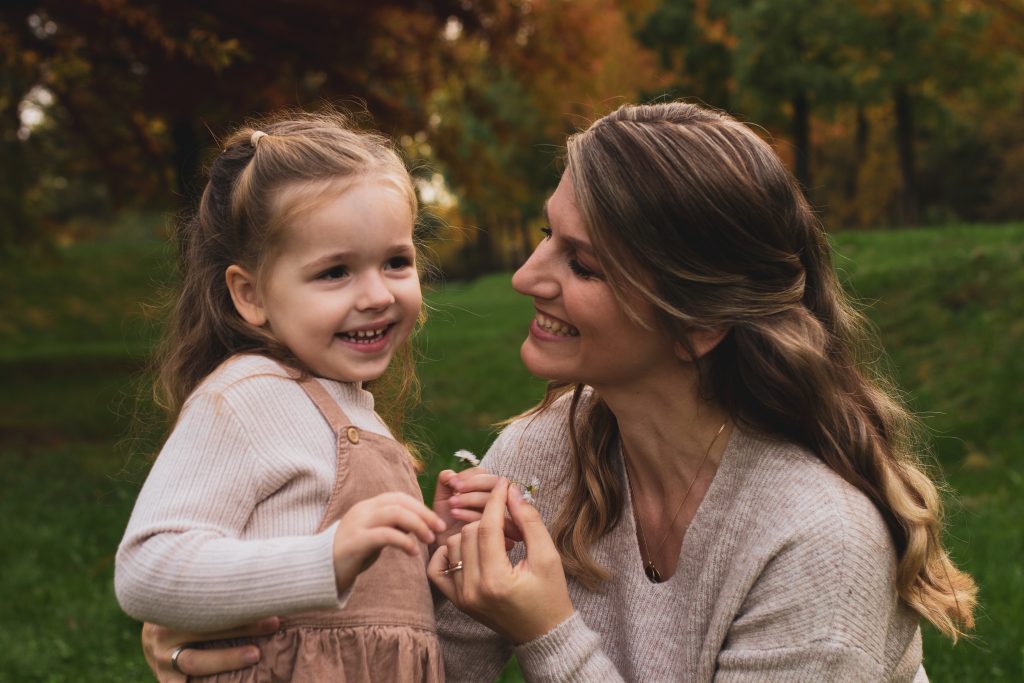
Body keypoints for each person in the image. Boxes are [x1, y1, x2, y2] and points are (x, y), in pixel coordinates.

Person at [140, 102, 977, 682]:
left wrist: (547, 629)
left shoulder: (814, 538)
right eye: (548, 235)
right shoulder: (543, 457)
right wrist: (227, 636)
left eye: (582, 263)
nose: (525, 275)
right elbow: (425, 665)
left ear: (696, 323)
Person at [115, 110, 497, 682]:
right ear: (251, 296)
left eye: (396, 262)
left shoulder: (355, 412)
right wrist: (325, 559)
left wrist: (425, 544)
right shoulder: (249, 394)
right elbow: (146, 569)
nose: (375, 294)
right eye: (334, 272)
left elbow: (375, 617)